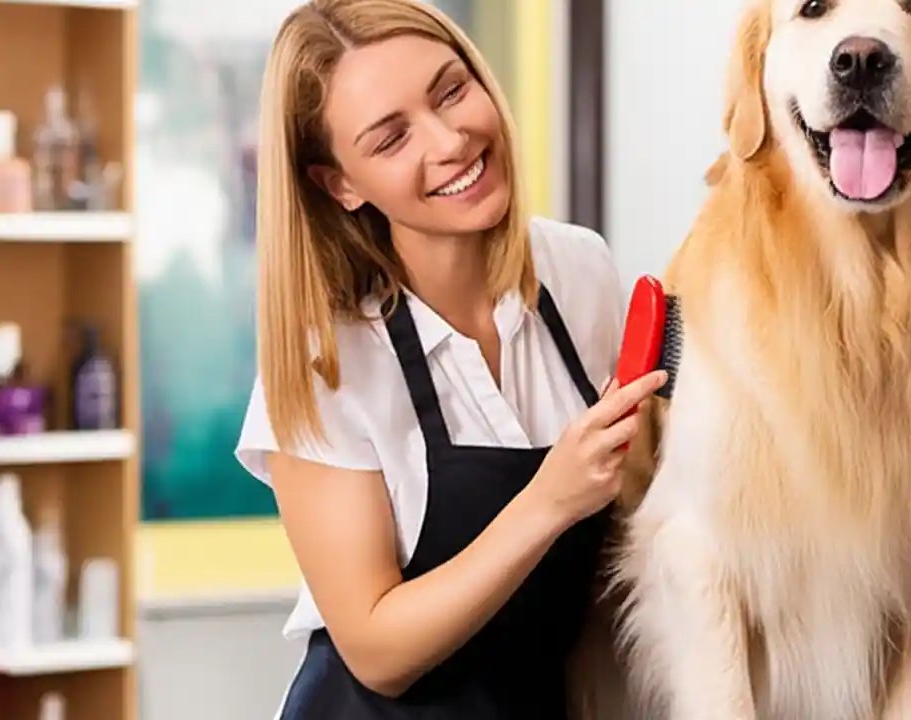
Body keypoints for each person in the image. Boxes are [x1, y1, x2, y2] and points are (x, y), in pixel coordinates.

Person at [233, 1, 665, 717]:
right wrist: (548, 503)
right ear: (340, 184)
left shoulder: (578, 271)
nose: (450, 140)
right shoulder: (327, 361)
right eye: (391, 138)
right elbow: (376, 653)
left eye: (451, 90)